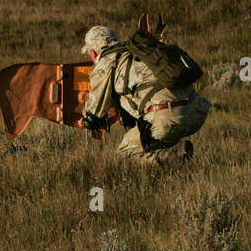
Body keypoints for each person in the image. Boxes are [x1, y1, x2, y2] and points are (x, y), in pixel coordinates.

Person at [80, 24, 210, 165]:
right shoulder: (138, 52)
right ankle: (176, 154)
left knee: (124, 156)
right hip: (197, 110)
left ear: (92, 53)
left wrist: (87, 118)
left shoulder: (105, 64)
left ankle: (170, 157)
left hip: (168, 118)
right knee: (152, 136)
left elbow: (94, 113)